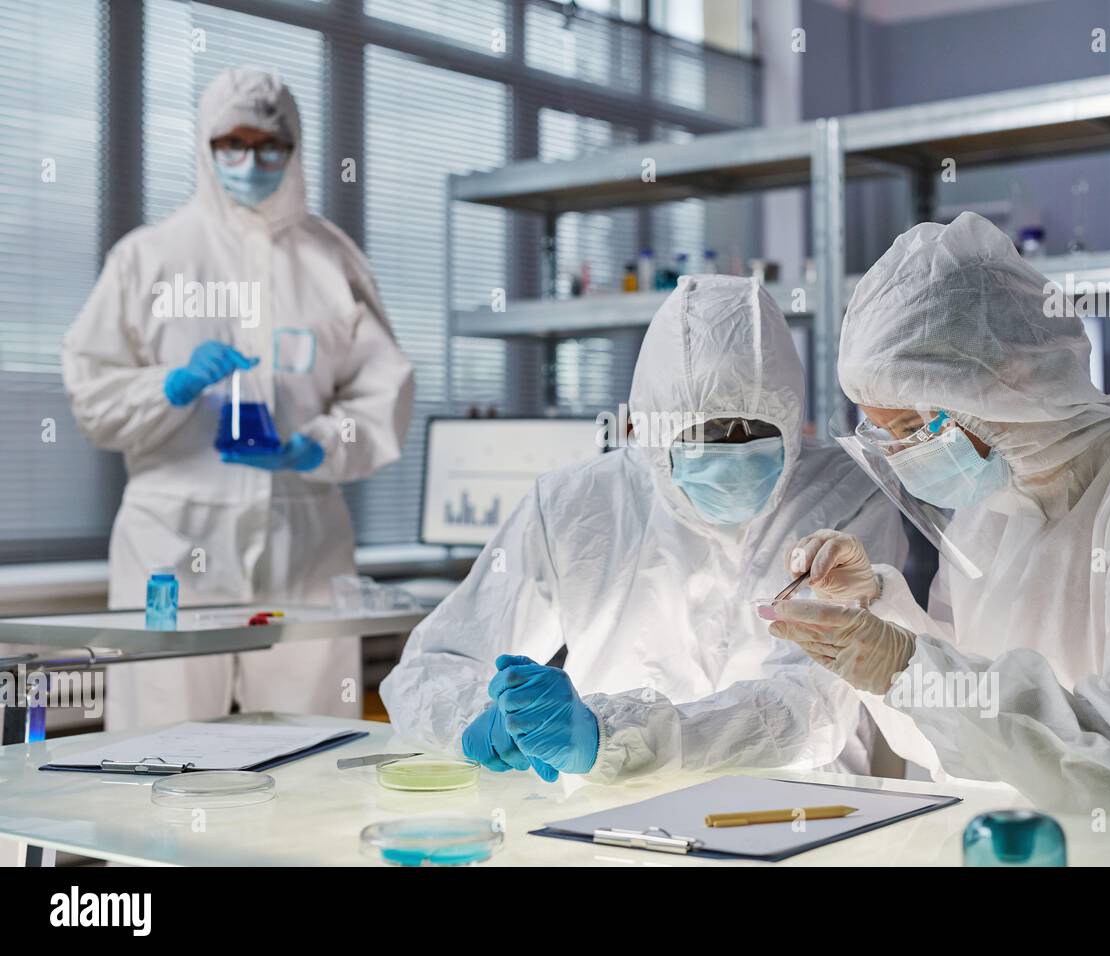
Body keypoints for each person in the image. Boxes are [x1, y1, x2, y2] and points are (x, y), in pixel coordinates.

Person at [766, 212, 1110, 814]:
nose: (908, 455)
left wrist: (907, 667)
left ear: (1007, 377)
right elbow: (960, 742)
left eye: (915, 426)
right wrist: (880, 616)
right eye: (887, 435)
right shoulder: (989, 509)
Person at [381, 275, 906, 781]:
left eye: (757, 427)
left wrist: (613, 737)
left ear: (794, 419)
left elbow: (811, 707)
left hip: (797, 805)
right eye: (705, 431)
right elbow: (435, 664)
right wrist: (482, 719)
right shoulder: (575, 503)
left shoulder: (849, 494)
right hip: (605, 801)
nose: (734, 447)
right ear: (648, 427)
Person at [63, 68, 414, 729]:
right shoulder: (149, 258)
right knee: (158, 742)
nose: (250, 160)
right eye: (232, 143)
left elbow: (383, 391)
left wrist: (320, 443)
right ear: (206, 145)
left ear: (294, 146)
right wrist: (167, 386)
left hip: (303, 536)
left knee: (313, 739)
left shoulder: (332, 261)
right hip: (170, 540)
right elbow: (90, 394)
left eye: (268, 144)